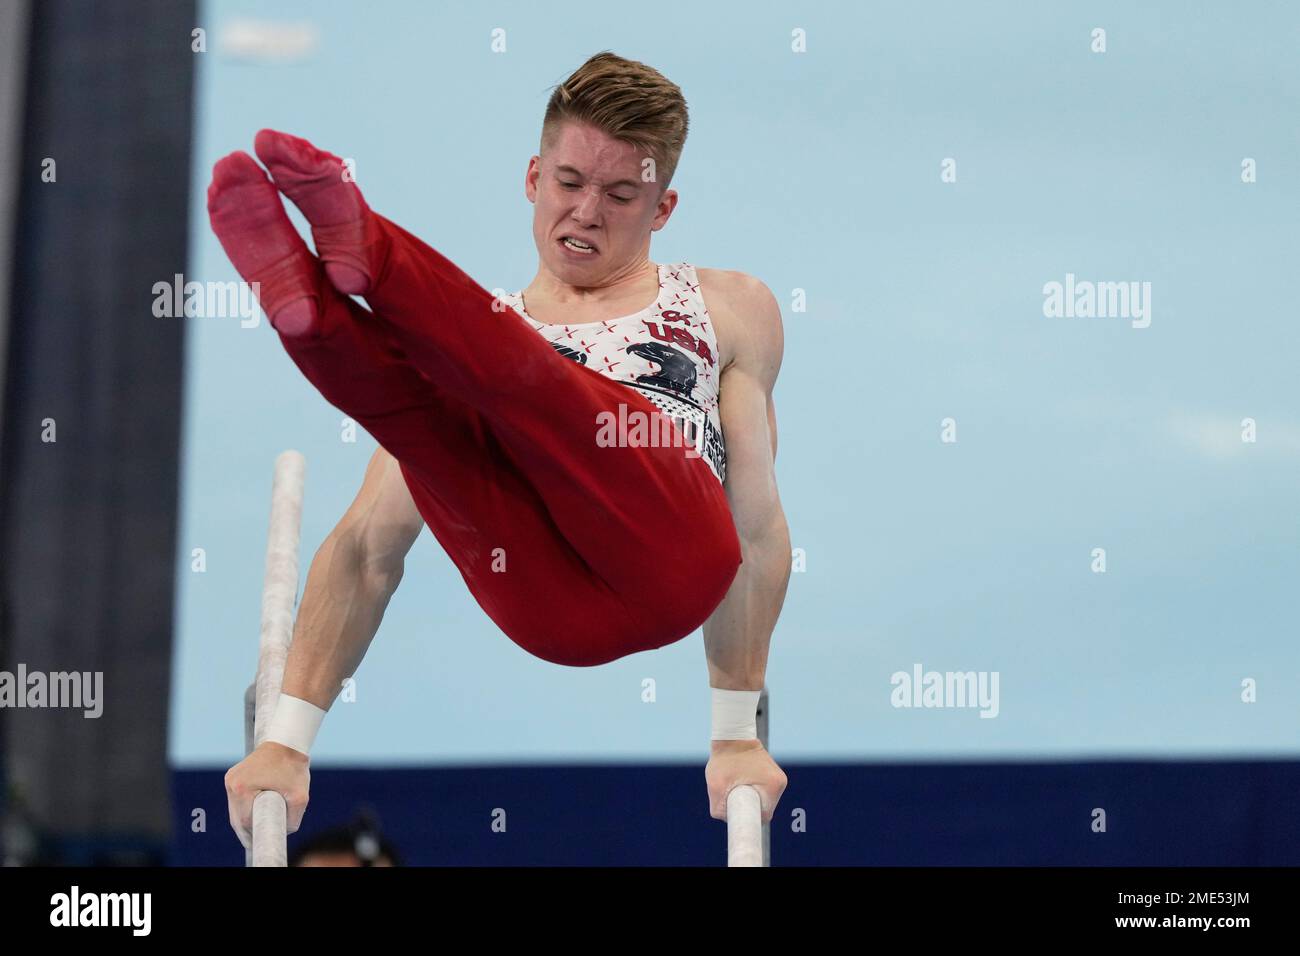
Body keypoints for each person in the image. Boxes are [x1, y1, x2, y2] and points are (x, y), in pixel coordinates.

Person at [216, 52, 790, 855]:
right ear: (531, 177)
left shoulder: (730, 308)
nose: (587, 212)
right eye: (568, 183)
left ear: (663, 208)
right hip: (542, 602)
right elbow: (367, 551)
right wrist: (286, 738)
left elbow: (756, 527)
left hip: (674, 554)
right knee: (428, 419)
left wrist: (734, 731)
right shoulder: (473, 342)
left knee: (529, 385)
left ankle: (370, 254)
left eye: (621, 194)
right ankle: (309, 312)